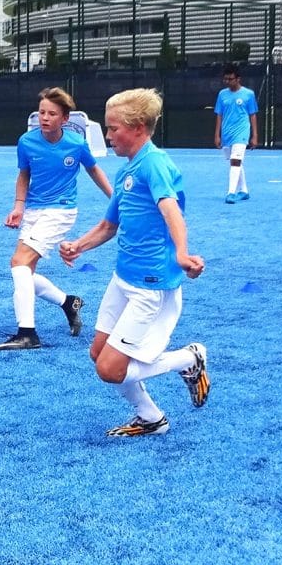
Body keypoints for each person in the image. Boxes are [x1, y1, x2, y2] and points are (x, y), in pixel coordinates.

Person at [58, 89, 209, 438]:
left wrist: (183, 253)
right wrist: (78, 246)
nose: (108, 136)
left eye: (113, 128)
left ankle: (190, 357)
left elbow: (170, 208)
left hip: (151, 285)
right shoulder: (130, 169)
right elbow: (109, 225)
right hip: (123, 279)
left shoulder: (155, 163)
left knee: (111, 369)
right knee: (99, 353)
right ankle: (151, 418)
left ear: (138, 127)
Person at [0, 87, 114, 350]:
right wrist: (18, 206)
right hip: (33, 211)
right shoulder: (26, 142)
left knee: (19, 262)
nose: (45, 118)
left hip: (61, 211)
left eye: (52, 114)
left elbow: (94, 170)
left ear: (64, 118)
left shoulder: (76, 143)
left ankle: (27, 334)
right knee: (23, 272)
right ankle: (68, 302)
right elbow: (24, 174)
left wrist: (115, 198)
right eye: (41, 113)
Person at [213, 64, 259, 204]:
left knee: (235, 161)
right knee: (235, 162)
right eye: (225, 79)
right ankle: (244, 191)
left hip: (242, 132)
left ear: (238, 79)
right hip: (227, 134)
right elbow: (219, 115)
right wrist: (217, 134)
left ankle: (231, 193)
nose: (227, 82)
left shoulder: (248, 94)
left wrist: (254, 135)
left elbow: (252, 115)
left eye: (230, 79)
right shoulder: (222, 94)